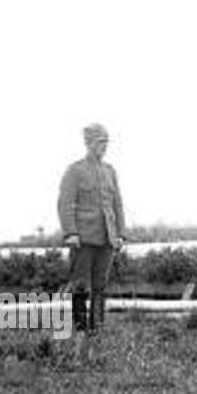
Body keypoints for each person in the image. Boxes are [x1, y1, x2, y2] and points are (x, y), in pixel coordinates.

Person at [57, 123, 127, 334]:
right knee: (79, 286)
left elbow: (117, 204)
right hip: (83, 238)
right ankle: (79, 329)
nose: (103, 147)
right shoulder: (75, 170)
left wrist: (121, 234)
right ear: (88, 143)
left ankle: (97, 330)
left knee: (100, 286)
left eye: (106, 142)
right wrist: (71, 233)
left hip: (107, 238)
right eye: (99, 142)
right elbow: (65, 203)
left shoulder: (110, 171)